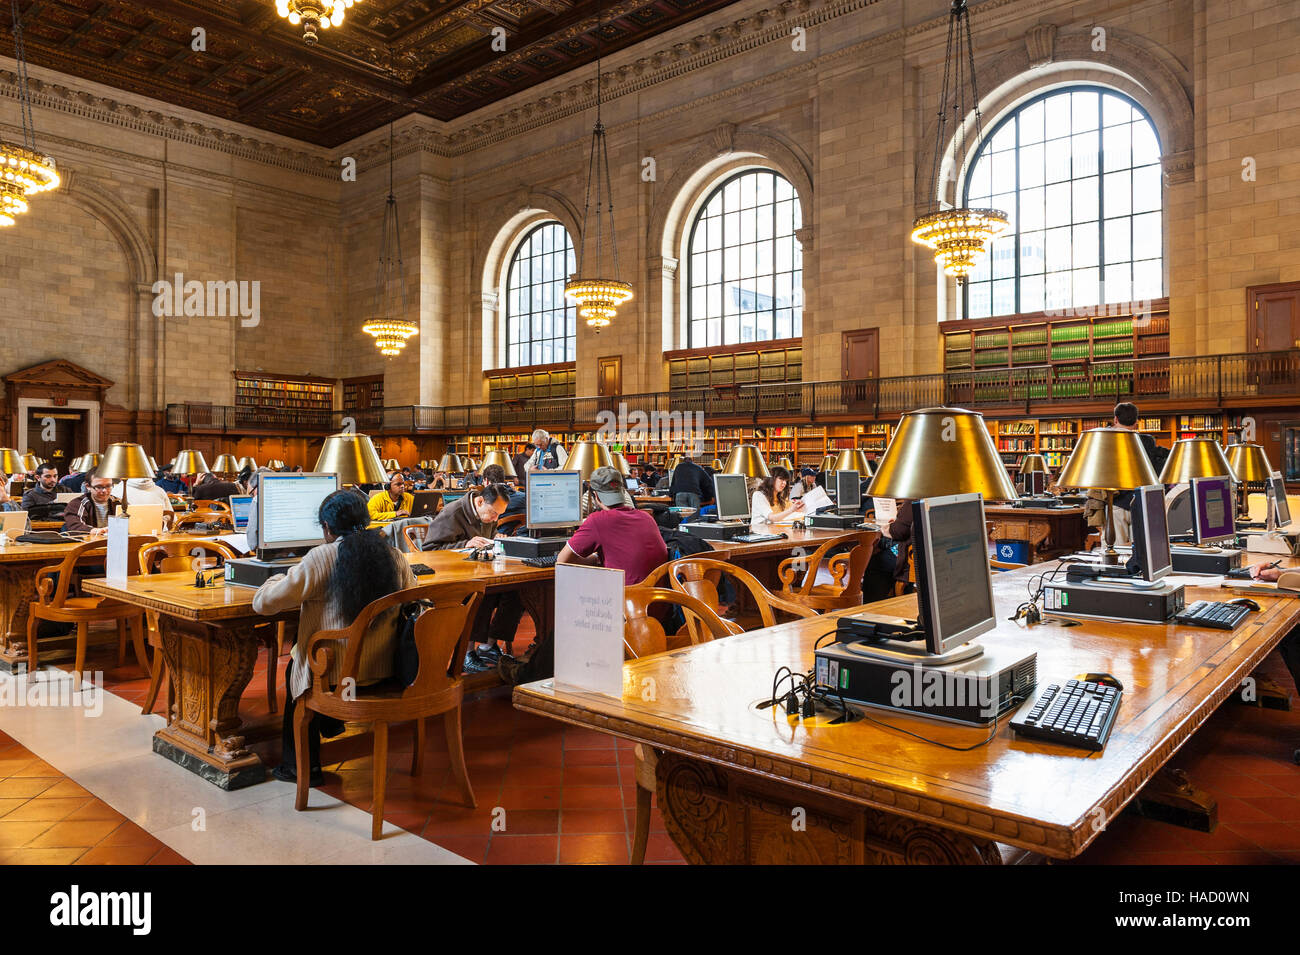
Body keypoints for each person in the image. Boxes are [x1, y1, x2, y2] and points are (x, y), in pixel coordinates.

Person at [252, 489, 415, 785]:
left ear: (326, 528)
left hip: (334, 676)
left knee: (297, 666)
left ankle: (300, 767)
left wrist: (276, 578)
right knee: (311, 660)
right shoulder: (394, 556)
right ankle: (329, 723)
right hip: (385, 670)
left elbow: (264, 604)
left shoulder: (320, 558)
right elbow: (412, 596)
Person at [556, 467, 668, 584]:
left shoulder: (597, 521)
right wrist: (598, 557)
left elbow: (562, 560)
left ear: (596, 496)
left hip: (626, 598)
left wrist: (593, 560)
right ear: (622, 492)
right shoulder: (647, 517)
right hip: (659, 598)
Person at [1110, 402, 1164, 545]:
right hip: (1140, 501)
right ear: (1136, 422)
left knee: (1115, 549)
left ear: (1115, 419)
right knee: (1141, 549)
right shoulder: (1147, 441)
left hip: (1115, 502)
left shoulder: (1106, 439)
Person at [419, 484, 510, 551]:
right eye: (494, 513)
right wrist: (465, 544)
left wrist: (496, 537)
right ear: (480, 502)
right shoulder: (451, 514)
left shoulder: (489, 515)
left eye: (499, 514)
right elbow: (429, 548)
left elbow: (489, 537)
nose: (495, 519)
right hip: (454, 571)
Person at [63, 471, 121, 537]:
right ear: (88, 486)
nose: (105, 491)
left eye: (108, 486)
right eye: (99, 487)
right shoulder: (77, 504)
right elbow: (75, 526)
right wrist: (97, 531)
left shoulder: (119, 503)